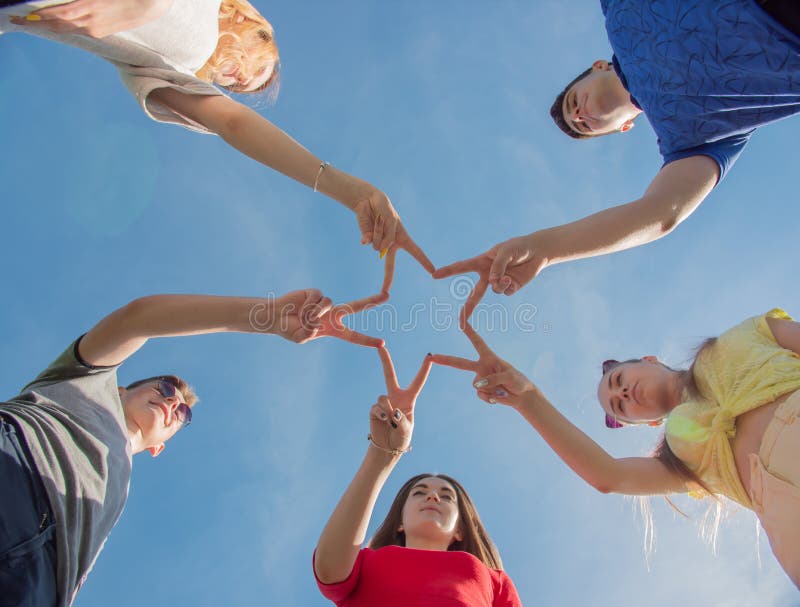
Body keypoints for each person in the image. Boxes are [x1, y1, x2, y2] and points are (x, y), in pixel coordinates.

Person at [0, 287, 385, 607]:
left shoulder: (118, 489)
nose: (171, 403)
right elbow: (140, 318)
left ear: (160, 448)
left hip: (44, 577)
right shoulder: (85, 380)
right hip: (15, 465)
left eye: (182, 412)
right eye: (165, 389)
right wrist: (266, 315)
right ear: (122, 389)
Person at [0, 0, 433, 274]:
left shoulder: (164, 68)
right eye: (253, 62)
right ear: (246, 17)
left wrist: (350, 191)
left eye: (241, 86)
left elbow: (234, 123)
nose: (239, 79)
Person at [433, 0, 799, 312]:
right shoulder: (687, 140)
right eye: (584, 127)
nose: (578, 116)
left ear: (597, 66)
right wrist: (545, 249)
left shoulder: (621, 12)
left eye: (574, 102)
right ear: (622, 129)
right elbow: (661, 213)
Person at [432, 314, 800, 588]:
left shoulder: (742, 336)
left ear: (649, 360)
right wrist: (528, 398)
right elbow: (608, 475)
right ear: (648, 424)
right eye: (619, 407)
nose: (621, 394)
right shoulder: (683, 457)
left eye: (619, 381)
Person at [313, 346, 522, 606]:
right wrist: (383, 454)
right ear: (399, 521)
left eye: (447, 496)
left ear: (460, 529)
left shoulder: (492, 580)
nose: (433, 496)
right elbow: (329, 572)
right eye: (419, 492)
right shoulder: (363, 562)